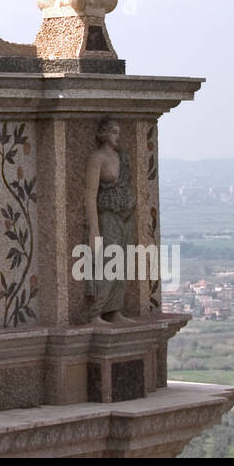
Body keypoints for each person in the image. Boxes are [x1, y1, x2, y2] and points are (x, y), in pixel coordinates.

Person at [85, 117, 137, 325]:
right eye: (114, 132)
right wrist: (93, 228)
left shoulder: (121, 157)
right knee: (108, 261)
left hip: (125, 215)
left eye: (119, 132)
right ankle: (94, 312)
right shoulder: (97, 158)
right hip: (108, 215)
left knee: (123, 262)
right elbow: (90, 195)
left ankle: (114, 309)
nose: (118, 137)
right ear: (104, 133)